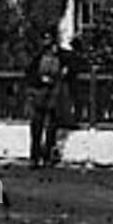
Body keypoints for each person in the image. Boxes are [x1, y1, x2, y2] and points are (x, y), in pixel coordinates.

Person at [25, 34, 65, 169]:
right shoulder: (37, 59)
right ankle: (35, 157)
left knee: (50, 129)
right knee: (36, 129)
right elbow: (30, 75)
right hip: (38, 96)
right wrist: (41, 79)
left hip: (51, 97)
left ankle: (46, 155)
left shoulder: (60, 58)